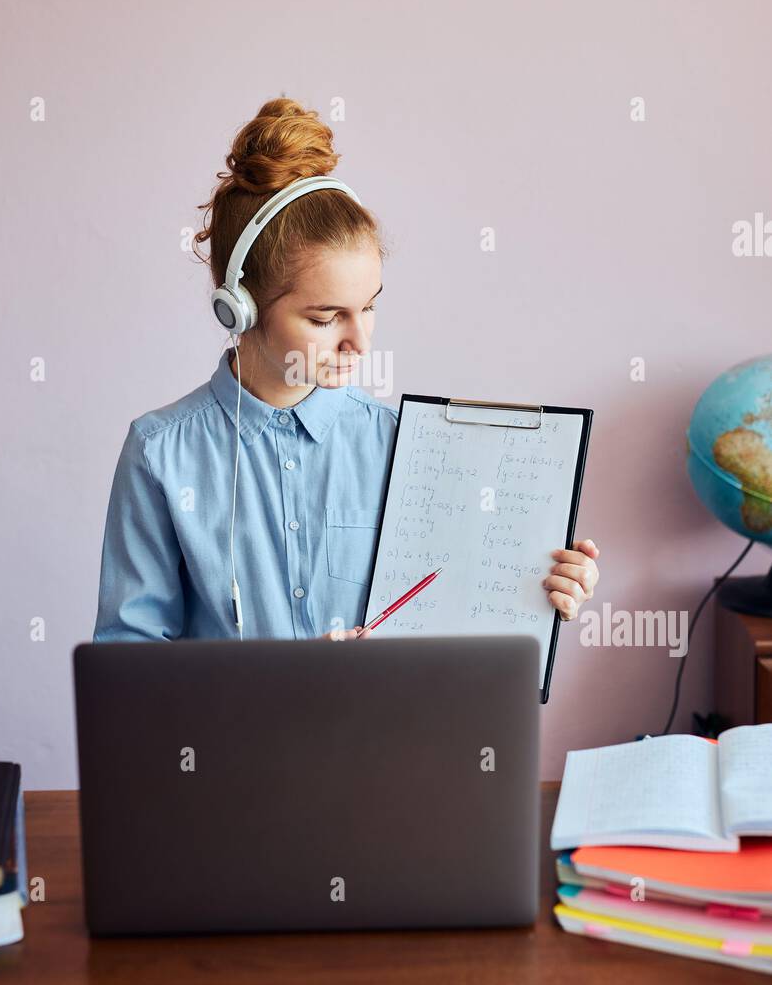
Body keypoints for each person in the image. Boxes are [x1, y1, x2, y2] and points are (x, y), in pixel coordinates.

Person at [92, 96, 600, 644]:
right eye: (326, 316)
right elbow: (130, 664)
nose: (359, 342)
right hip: (228, 733)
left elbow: (452, 620)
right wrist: (277, 683)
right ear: (241, 307)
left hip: (388, 730)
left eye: (370, 307)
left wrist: (539, 588)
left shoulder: (405, 446)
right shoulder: (160, 452)